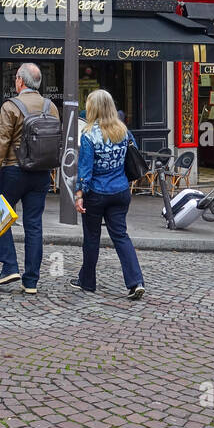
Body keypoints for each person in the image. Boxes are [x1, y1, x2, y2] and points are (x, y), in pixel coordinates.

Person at [0, 63, 60, 294]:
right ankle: (31, 281)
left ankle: (9, 267)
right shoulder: (51, 106)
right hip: (41, 173)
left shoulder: (11, 106)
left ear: (19, 81)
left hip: (13, 171)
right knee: (34, 225)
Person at [71, 89, 145, 299]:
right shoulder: (123, 131)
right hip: (120, 190)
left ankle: (88, 281)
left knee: (92, 238)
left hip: (96, 192)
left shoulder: (88, 134)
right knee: (121, 236)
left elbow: (85, 170)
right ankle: (135, 281)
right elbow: (133, 156)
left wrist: (79, 194)